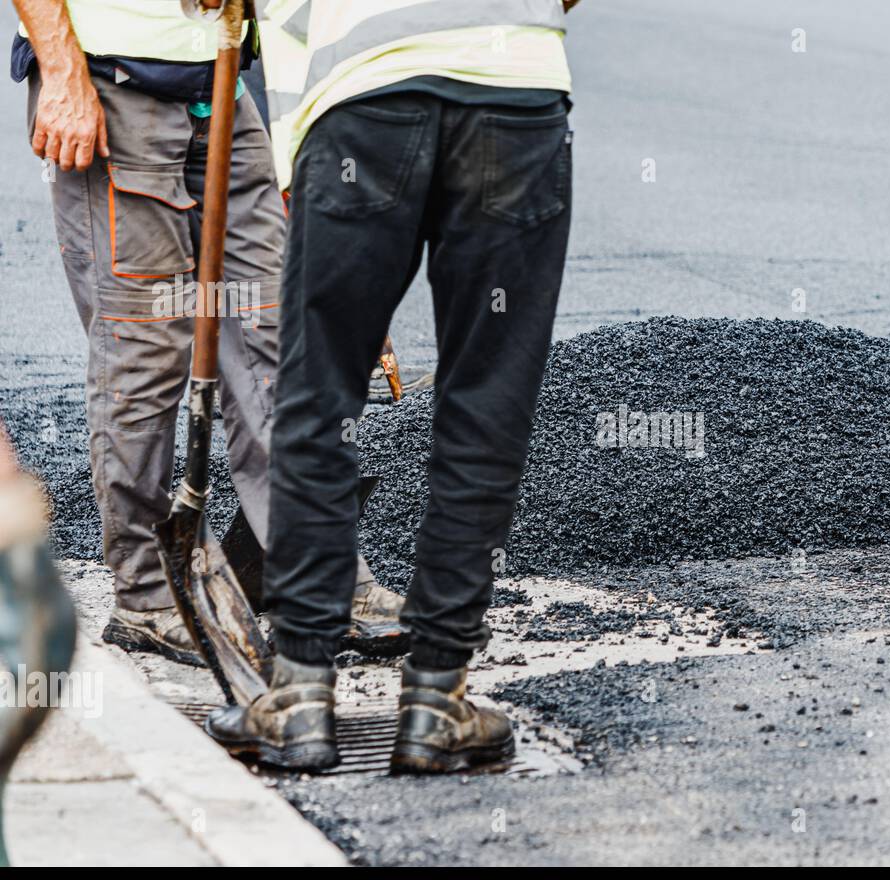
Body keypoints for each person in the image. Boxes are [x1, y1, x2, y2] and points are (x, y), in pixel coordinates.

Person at [205, 0, 578, 773]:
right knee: (487, 400)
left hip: (364, 98)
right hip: (513, 93)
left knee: (317, 394)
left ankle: (301, 695)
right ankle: (438, 699)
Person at [10, 0, 405, 665]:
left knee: (275, 335)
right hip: (111, 83)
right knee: (147, 346)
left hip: (220, 78)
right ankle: (148, 592)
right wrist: (60, 65)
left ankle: (316, 574)